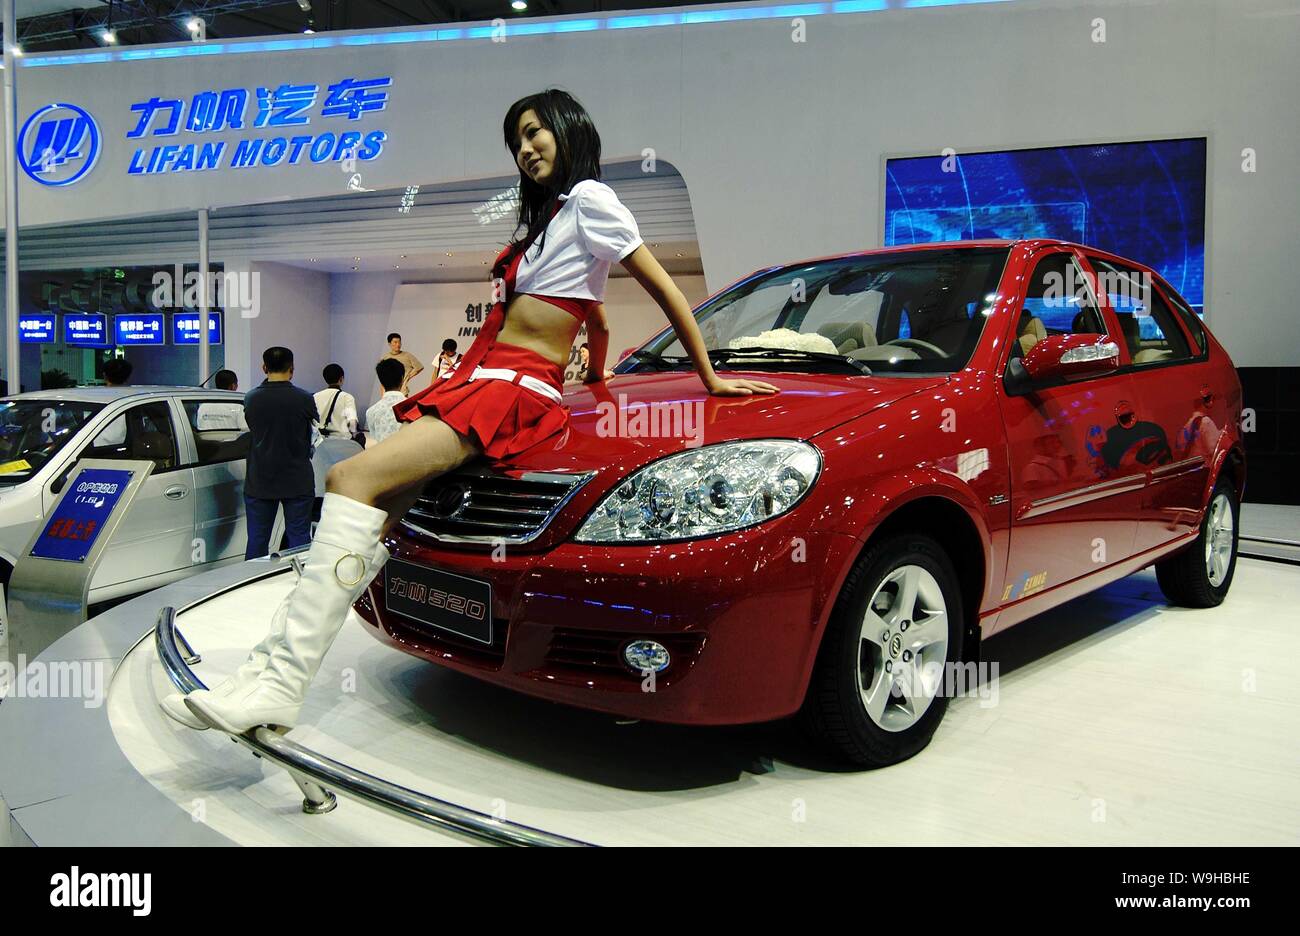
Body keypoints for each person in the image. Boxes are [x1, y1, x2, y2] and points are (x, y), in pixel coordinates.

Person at [170, 88, 778, 735]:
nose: (525, 147)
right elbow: (593, 312)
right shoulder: (554, 220)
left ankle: (279, 681)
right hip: (479, 381)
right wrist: (597, 369)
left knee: (349, 480)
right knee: (373, 522)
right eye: (517, 139)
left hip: (509, 389)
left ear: (569, 131)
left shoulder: (595, 200)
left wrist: (710, 376)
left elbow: (661, 287)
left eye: (536, 131)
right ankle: (270, 678)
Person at [238, 347, 317, 561]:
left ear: (264, 368)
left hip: (260, 479)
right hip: (297, 479)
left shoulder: (251, 398)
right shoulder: (304, 398)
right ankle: (299, 585)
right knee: (299, 539)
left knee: (257, 540)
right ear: (292, 368)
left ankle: (252, 589)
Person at [365, 357, 408, 447]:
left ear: (381, 382)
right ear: (402, 379)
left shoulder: (371, 412)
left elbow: (375, 438)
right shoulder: (413, 408)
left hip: (382, 458)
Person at [313, 363, 358, 439]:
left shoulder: (315, 396)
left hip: (320, 441)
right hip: (342, 440)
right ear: (341, 378)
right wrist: (355, 436)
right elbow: (352, 423)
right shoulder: (347, 397)